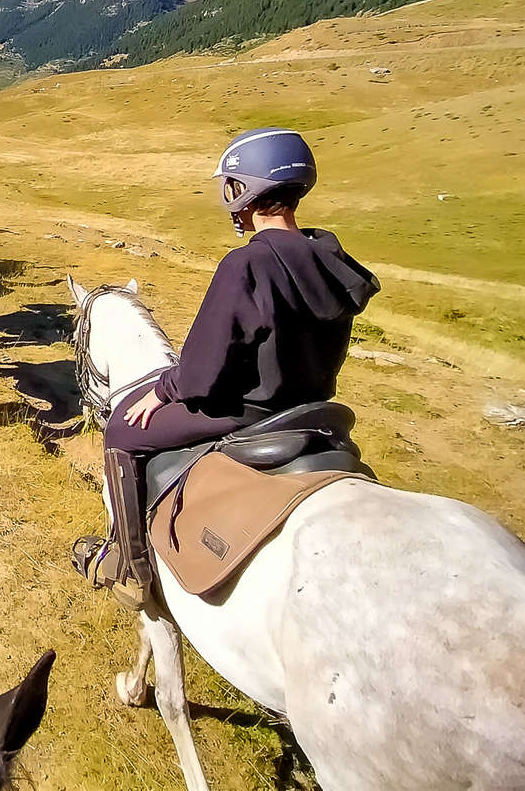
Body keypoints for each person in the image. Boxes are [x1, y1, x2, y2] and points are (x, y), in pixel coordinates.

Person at [76, 127, 379, 608]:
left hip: (248, 410)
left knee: (121, 432)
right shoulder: (329, 257)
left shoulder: (248, 264)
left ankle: (129, 565)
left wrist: (162, 392)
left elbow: (199, 372)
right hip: (311, 408)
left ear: (243, 190)